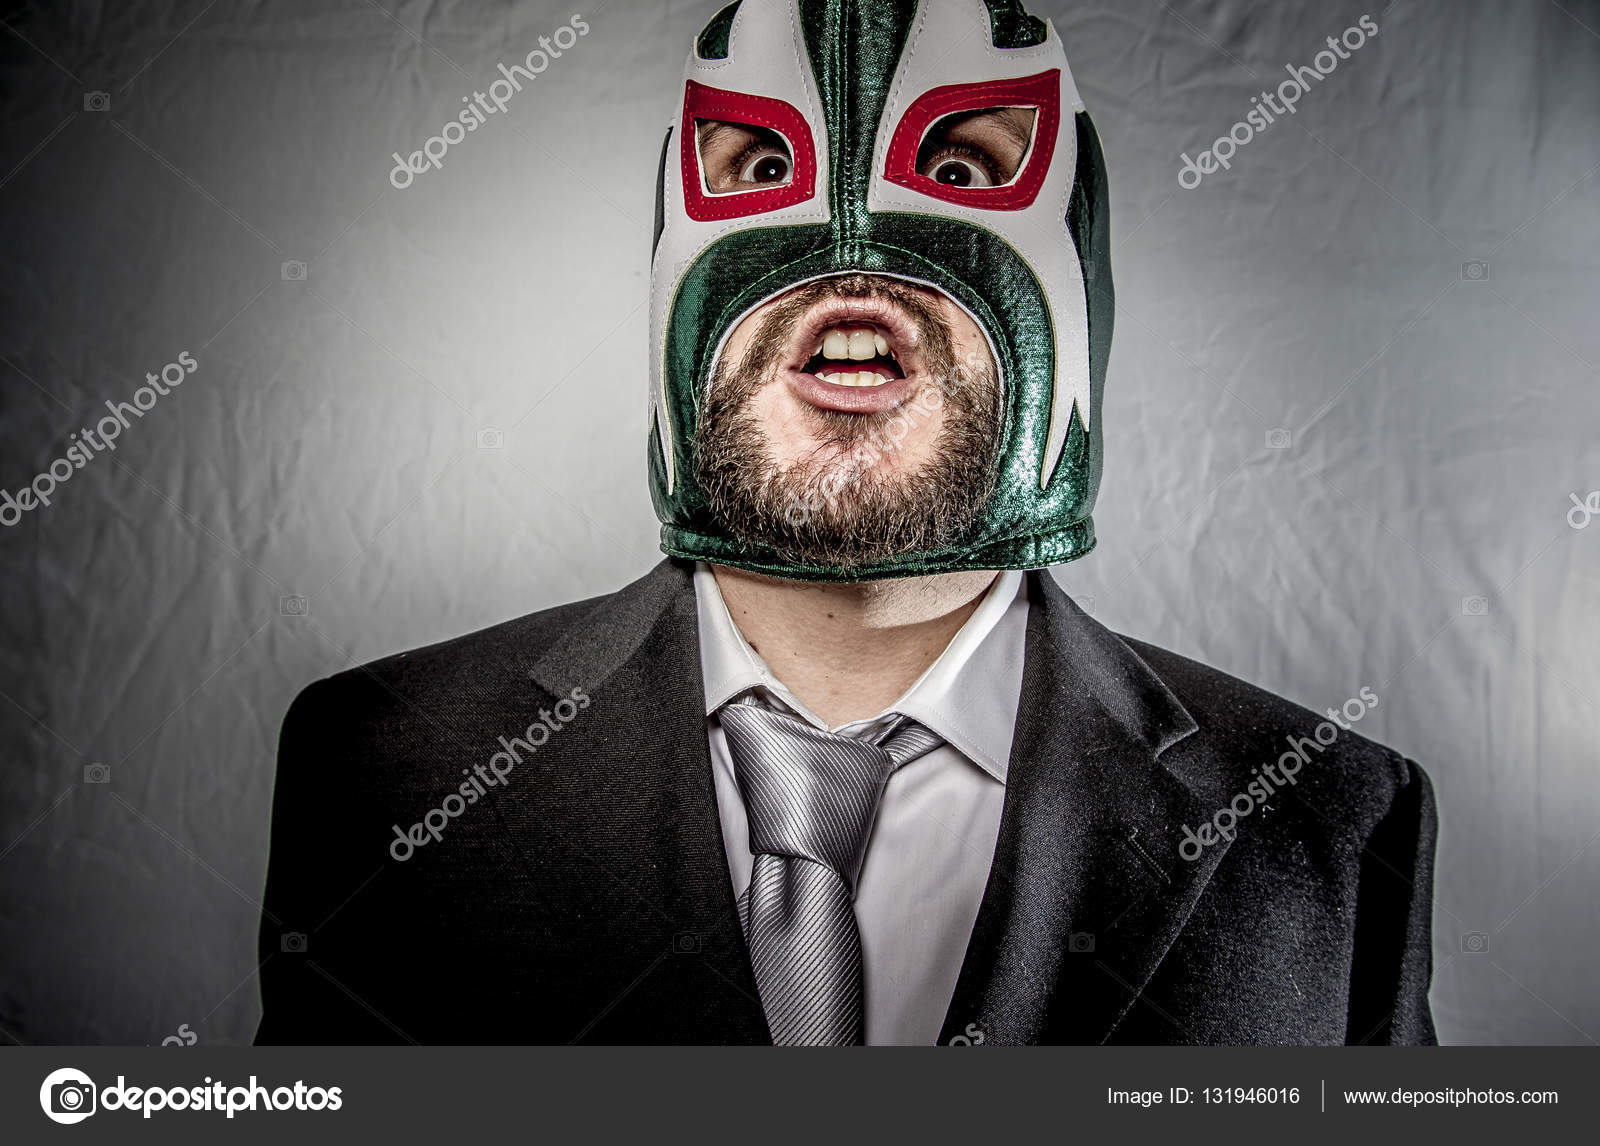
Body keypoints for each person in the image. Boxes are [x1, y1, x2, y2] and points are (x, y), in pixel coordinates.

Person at [257, 0, 1436, 1046]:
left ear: (1075, 275)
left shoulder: (1326, 826)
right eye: (762, 157)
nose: (850, 255)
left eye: (966, 174)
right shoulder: (387, 771)